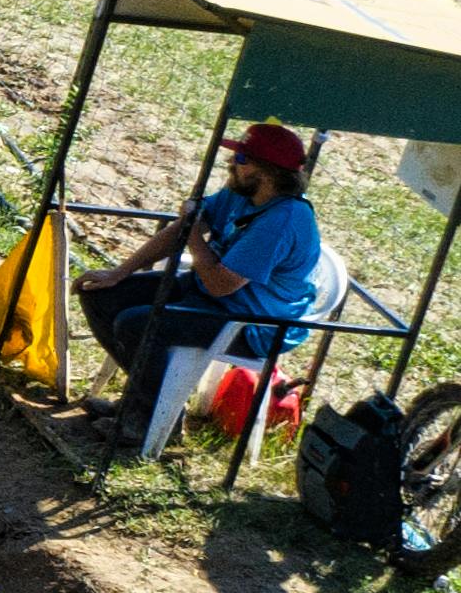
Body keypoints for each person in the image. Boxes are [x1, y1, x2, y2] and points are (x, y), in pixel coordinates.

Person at [81, 126, 336, 437]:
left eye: (242, 157)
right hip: (214, 294)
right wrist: (119, 272)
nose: (231, 161)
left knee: (136, 324)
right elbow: (182, 228)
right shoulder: (241, 193)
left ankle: (151, 421)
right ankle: (145, 403)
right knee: (102, 296)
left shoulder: (281, 220)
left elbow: (220, 283)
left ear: (269, 172)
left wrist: (192, 234)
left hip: (253, 322)